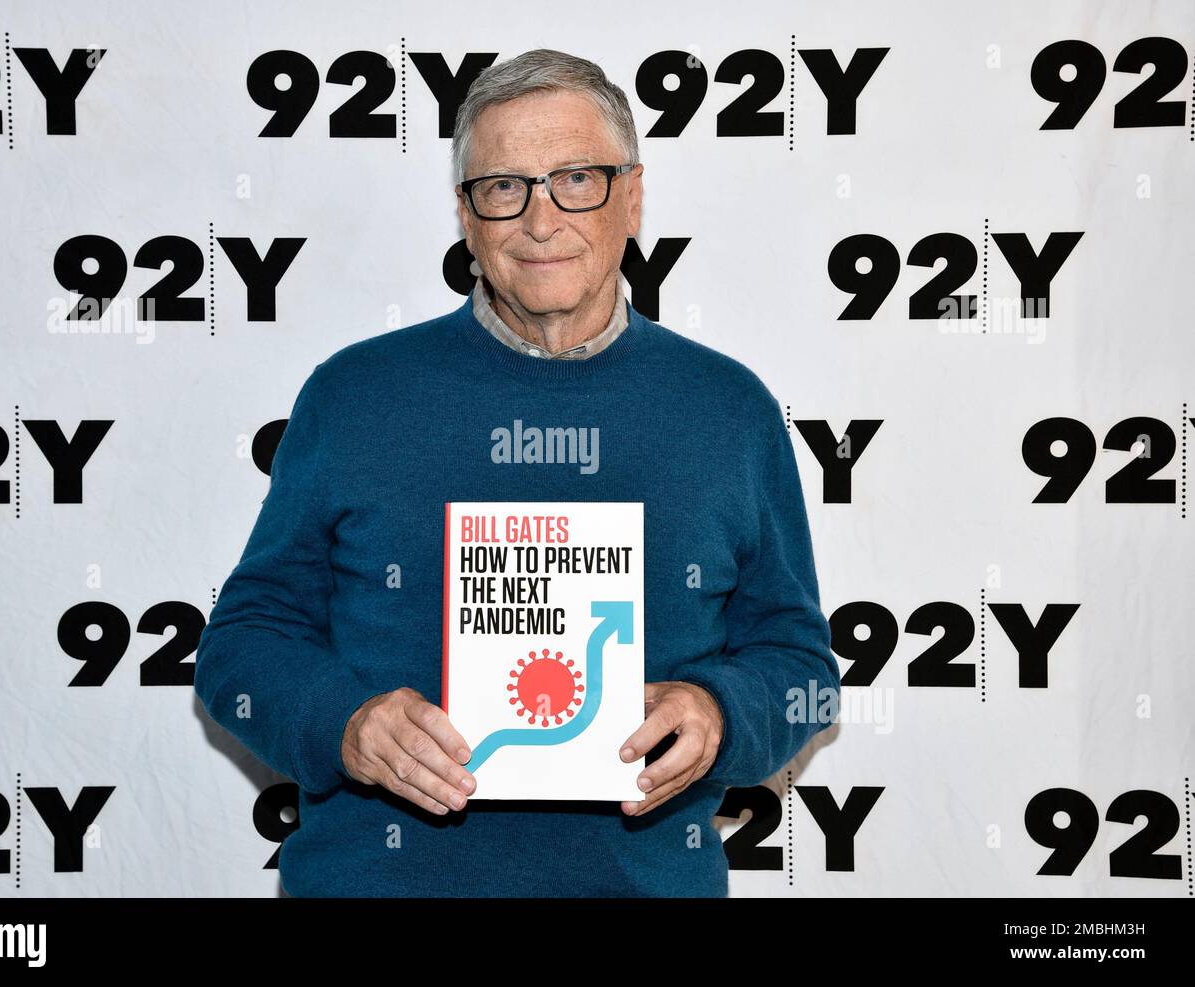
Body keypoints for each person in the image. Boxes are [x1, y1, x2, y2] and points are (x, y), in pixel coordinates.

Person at [194, 48, 839, 897]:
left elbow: (799, 666)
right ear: (466, 217)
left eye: (577, 178)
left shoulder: (728, 410)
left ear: (634, 198)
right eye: (505, 187)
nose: (541, 220)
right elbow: (241, 645)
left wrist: (718, 711)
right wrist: (342, 721)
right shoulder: (356, 396)